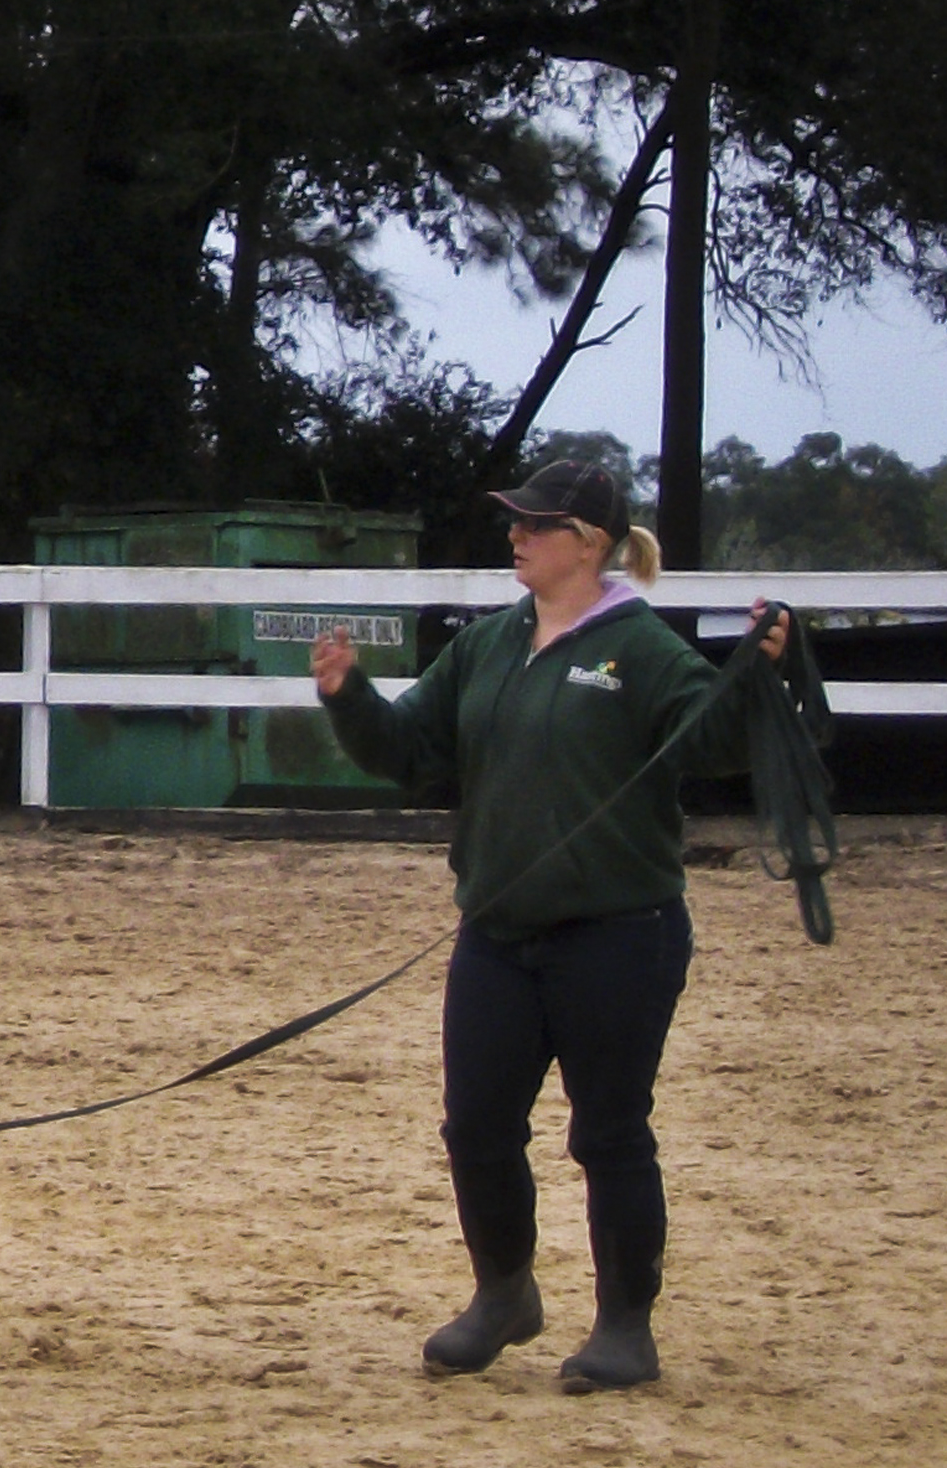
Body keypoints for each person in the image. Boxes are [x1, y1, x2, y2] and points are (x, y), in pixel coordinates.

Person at [309, 460, 789, 1392]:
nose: (517, 535)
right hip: (496, 931)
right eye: (516, 522)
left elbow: (712, 743)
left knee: (609, 1133)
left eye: (538, 523)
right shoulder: (488, 645)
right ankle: (504, 1293)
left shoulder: (642, 650)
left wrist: (753, 678)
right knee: (476, 1126)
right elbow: (409, 752)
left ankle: (624, 1326)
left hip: (620, 933)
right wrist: (350, 697)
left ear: (592, 544)